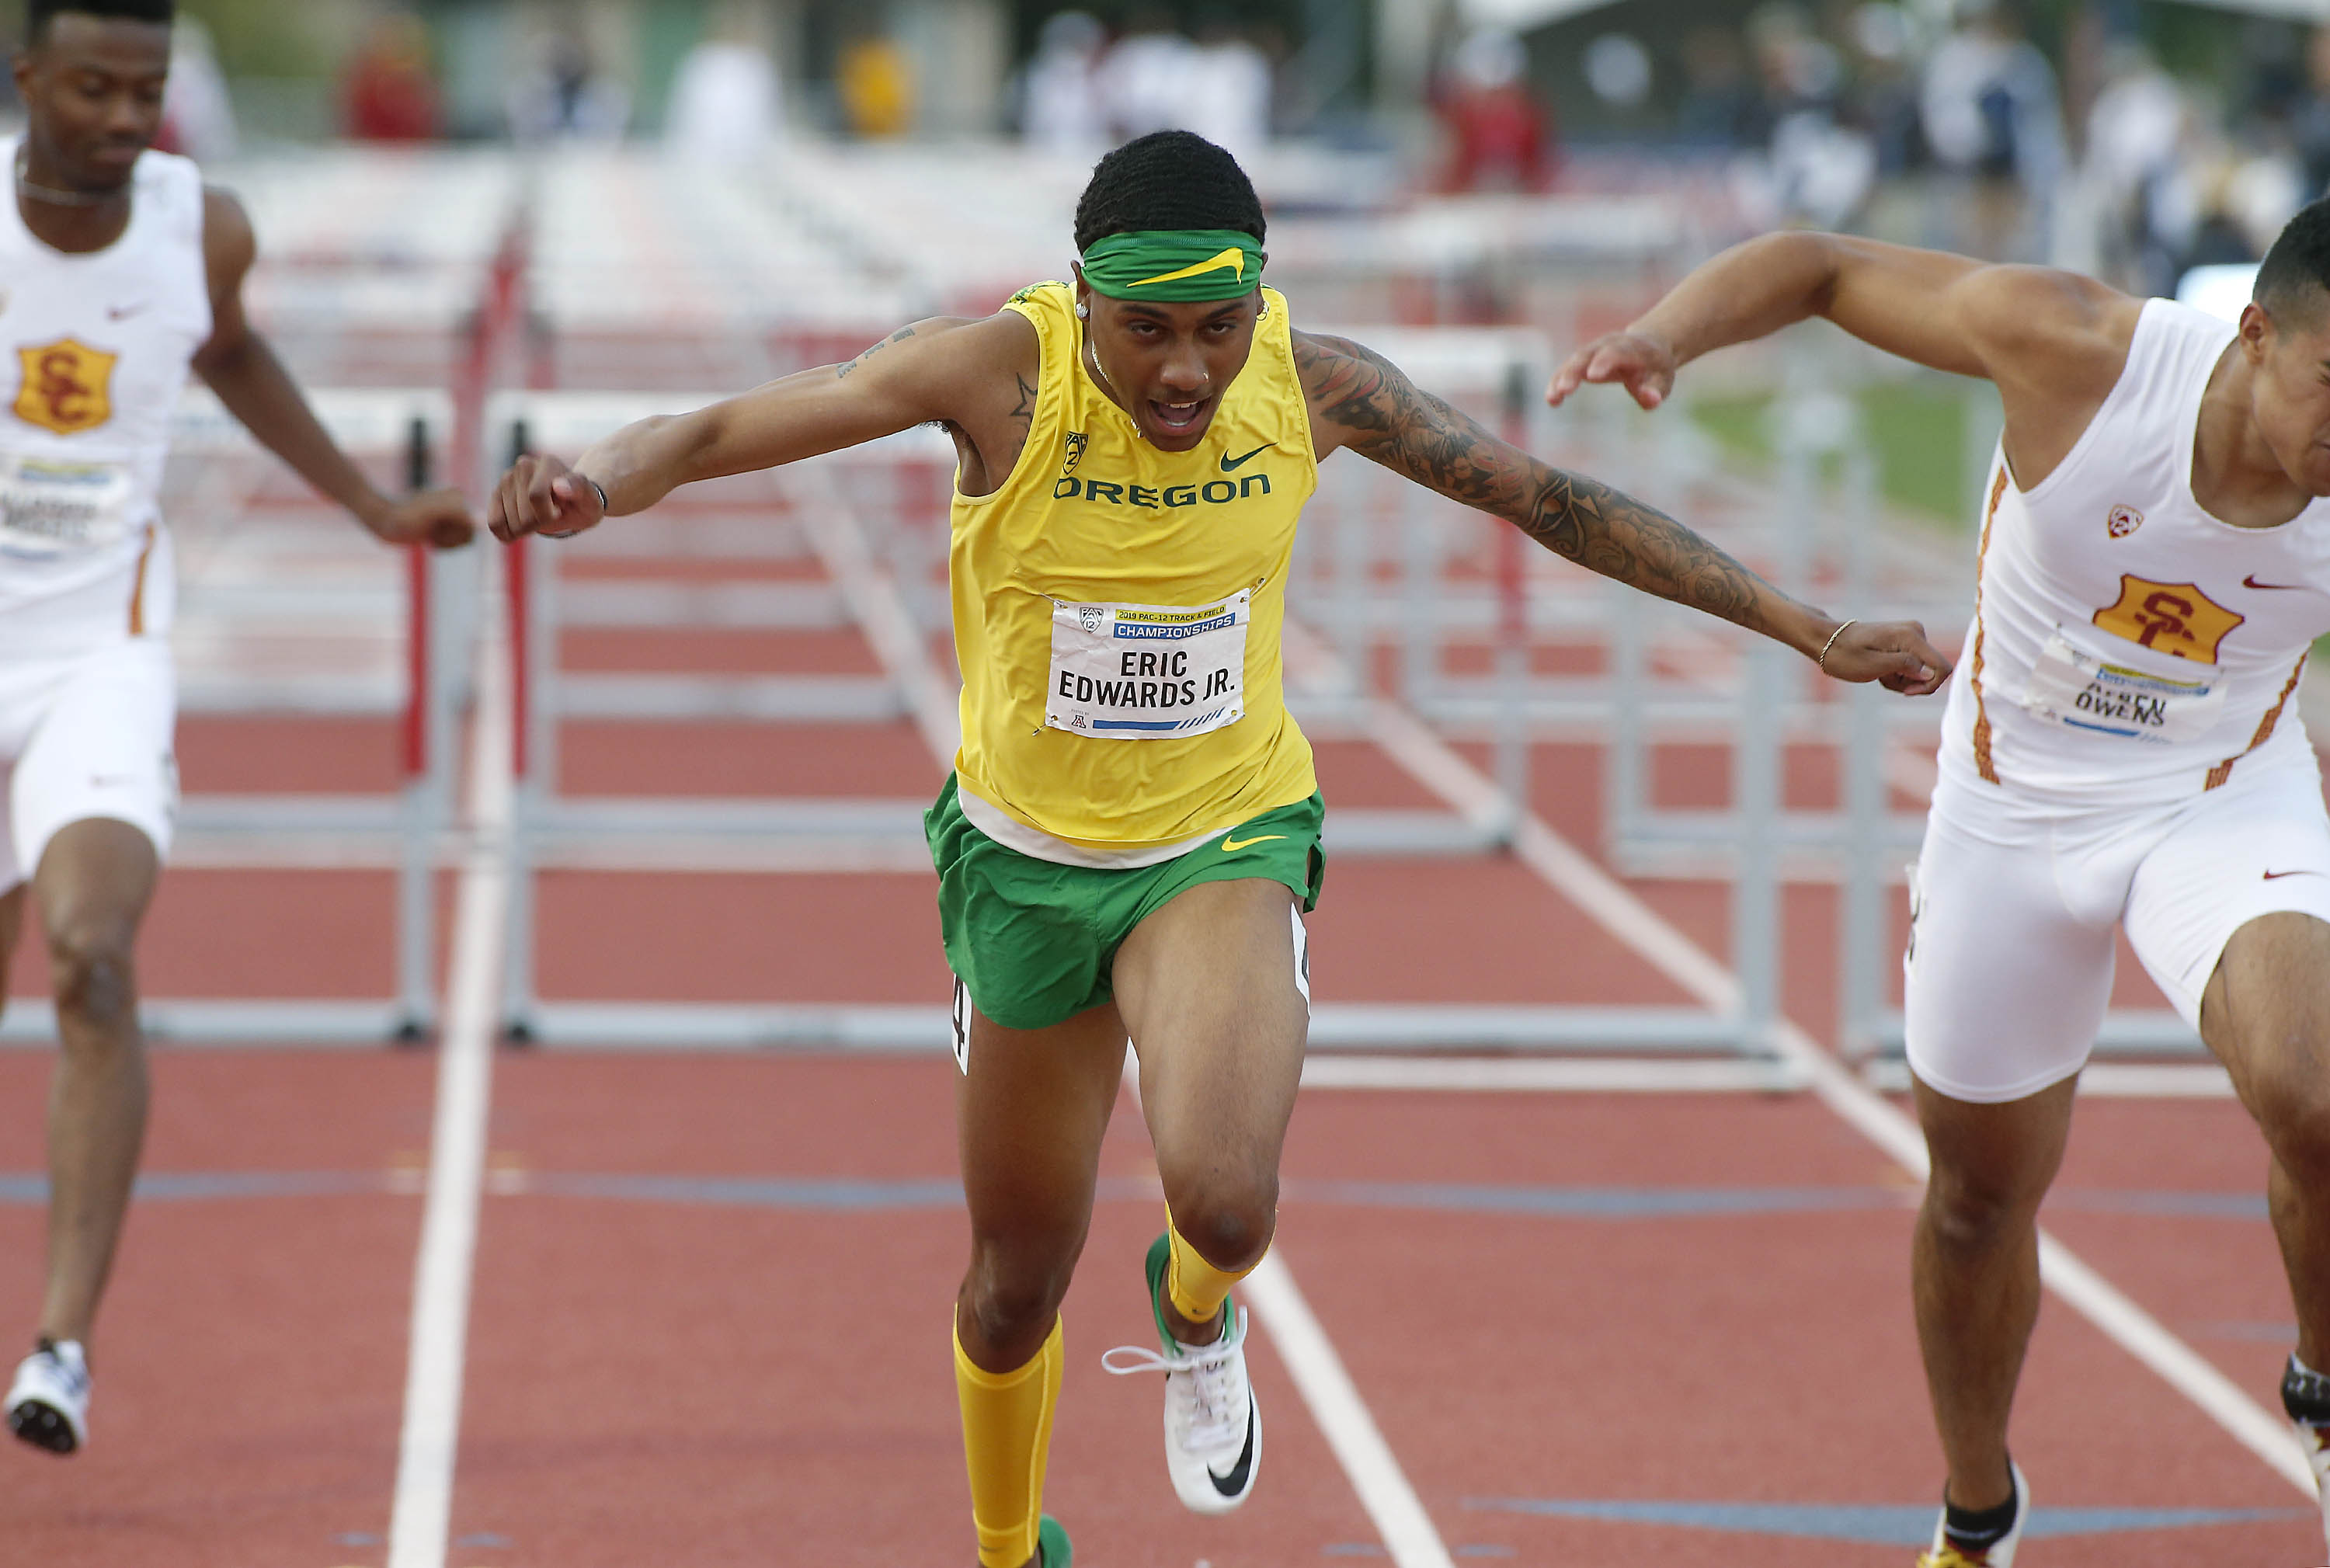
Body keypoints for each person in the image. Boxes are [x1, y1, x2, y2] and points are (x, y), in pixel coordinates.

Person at [488, 129, 1948, 1568]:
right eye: (1145, 333)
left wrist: (1805, 628)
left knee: (1230, 1201)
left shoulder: (1315, 388)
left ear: (1259, 304)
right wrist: (598, 484)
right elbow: (738, 423)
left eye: (1216, 327)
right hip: (1023, 862)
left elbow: (1552, 504)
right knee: (1009, 1293)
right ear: (1079, 303)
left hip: (1225, 834)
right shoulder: (998, 375)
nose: (1185, 370)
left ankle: (1195, 1310)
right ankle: (1011, 1550)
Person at [1549, 205, 2330, 1566]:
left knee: (2319, 1092)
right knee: (1976, 1199)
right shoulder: (2080, 353)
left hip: (2219, 797)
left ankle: (2324, 1391)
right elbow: (1823, 266)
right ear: (2256, 335)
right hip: (2011, 808)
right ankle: (1979, 1513)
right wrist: (1664, 334)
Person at [0, 0, 473, 1455]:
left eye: (147, 89)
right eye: (94, 88)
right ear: (28, 80)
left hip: (102, 647)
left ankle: (63, 1348)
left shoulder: (201, 229)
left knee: (89, 955)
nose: (129, 118)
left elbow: (232, 354)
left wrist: (373, 504)